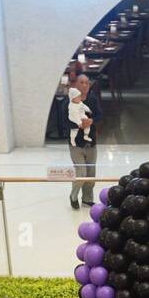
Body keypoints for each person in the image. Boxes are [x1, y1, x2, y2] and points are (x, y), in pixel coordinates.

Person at [67, 72, 102, 210]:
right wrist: (79, 124)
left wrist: (91, 121)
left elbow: (99, 115)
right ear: (76, 85)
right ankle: (73, 196)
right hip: (76, 145)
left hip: (91, 143)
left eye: (87, 83)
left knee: (91, 174)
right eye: (82, 82)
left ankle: (87, 199)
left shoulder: (92, 99)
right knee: (81, 172)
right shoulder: (68, 103)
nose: (85, 85)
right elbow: (64, 122)